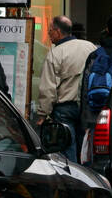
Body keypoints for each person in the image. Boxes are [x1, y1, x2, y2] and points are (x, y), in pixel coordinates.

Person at [34, 15, 97, 159]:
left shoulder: (55, 54)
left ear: (57, 31)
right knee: (86, 148)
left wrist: (43, 114)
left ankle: (72, 178)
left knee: (68, 149)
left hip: (64, 109)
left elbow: (48, 89)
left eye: (50, 31)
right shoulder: (90, 47)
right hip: (87, 106)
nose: (48, 35)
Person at [80, 13, 112, 160]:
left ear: (107, 29)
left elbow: (84, 89)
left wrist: (85, 122)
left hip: (94, 118)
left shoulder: (94, 56)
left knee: (95, 162)